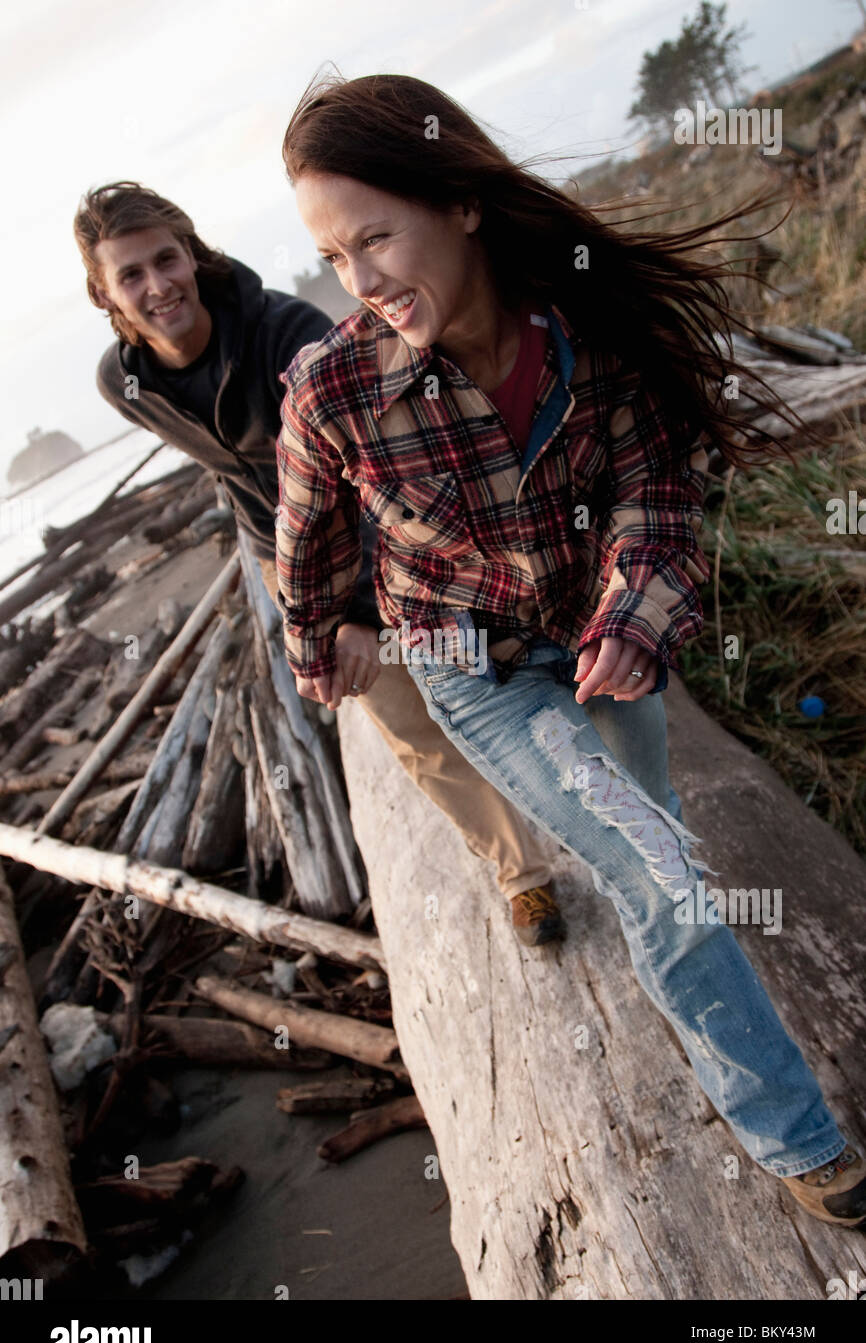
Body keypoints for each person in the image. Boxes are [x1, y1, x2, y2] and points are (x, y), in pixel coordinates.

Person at [273, 70, 865, 1227]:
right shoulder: (332, 389)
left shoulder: (586, 324)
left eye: (376, 238)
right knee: (658, 870)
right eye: (335, 259)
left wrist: (634, 613)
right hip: (475, 675)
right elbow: (305, 552)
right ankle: (792, 1134)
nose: (362, 280)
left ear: (459, 203)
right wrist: (323, 643)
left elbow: (659, 482)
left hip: (600, 637)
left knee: (657, 859)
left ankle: (693, 986)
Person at [73, 181, 563, 945]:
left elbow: (368, 469)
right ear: (105, 295)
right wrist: (302, 607)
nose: (156, 285)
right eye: (129, 275)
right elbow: (232, 470)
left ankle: (590, 801)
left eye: (165, 259)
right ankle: (523, 875)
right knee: (406, 723)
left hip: (390, 524)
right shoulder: (124, 383)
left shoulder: (287, 333)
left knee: (497, 670)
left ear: (193, 256)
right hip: (287, 558)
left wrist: (362, 611)